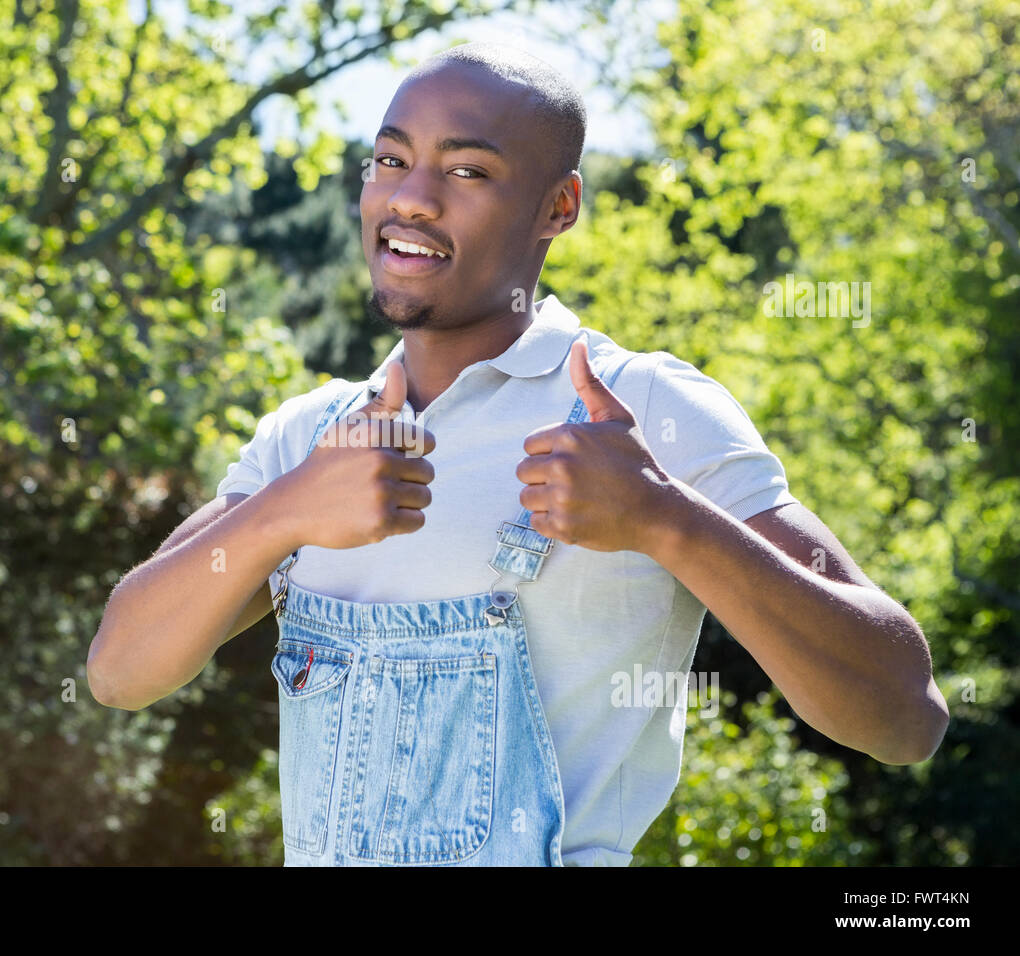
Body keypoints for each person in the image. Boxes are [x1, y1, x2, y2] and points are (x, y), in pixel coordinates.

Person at [86, 42, 949, 866]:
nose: (411, 198)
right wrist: (288, 511)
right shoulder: (310, 439)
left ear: (558, 208)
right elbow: (120, 673)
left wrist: (666, 520)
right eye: (389, 160)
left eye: (467, 171)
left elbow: (905, 718)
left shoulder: (645, 410)